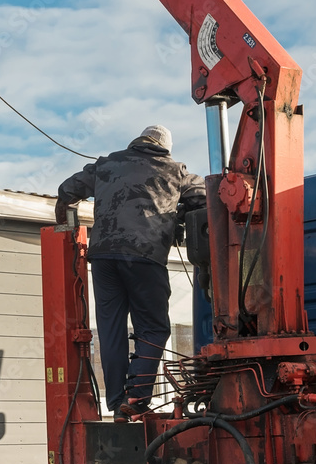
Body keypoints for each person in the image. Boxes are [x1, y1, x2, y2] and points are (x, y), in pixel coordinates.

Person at [55, 125, 205, 422]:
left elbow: (67, 190)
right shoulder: (176, 171)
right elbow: (204, 199)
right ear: (165, 147)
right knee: (153, 328)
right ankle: (135, 397)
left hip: (103, 257)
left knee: (110, 329)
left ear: (138, 141)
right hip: (145, 257)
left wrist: (66, 228)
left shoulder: (106, 165)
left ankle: (115, 401)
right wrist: (182, 219)